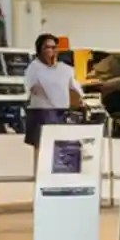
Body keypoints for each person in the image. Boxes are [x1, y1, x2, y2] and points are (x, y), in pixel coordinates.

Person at [23, 33, 82, 163]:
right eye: (47, 47)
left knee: (60, 149)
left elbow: (76, 88)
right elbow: (33, 88)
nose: (51, 51)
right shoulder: (34, 68)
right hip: (41, 113)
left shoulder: (65, 69)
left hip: (61, 113)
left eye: (53, 47)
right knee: (41, 150)